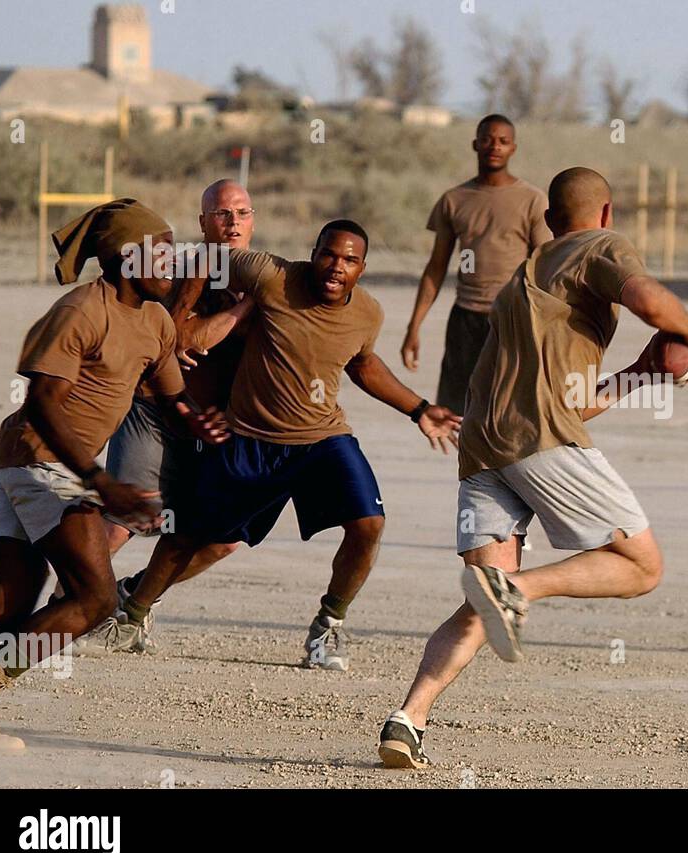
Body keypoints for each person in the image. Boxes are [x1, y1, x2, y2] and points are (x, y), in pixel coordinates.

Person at [377, 167, 688, 768]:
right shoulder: (602, 246)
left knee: (482, 603)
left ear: (548, 221)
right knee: (643, 568)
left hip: (484, 448)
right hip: (538, 440)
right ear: (605, 214)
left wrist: (639, 372)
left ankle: (408, 719)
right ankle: (521, 588)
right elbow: (647, 299)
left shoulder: (524, 278)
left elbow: (571, 399)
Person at [110, 220, 461, 671]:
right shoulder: (270, 275)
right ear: (313, 253)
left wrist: (419, 409)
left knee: (369, 523)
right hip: (249, 440)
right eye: (329, 255)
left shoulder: (368, 313)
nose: (336, 267)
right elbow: (204, 258)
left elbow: (364, 365)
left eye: (349, 260)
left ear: (362, 268)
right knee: (191, 539)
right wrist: (177, 324)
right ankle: (131, 614)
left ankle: (328, 626)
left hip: (321, 440)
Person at [0, 199, 227, 754]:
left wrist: (197, 424)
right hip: (41, 460)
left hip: (46, 465)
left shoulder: (156, 320)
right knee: (94, 600)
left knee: (4, 609)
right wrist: (98, 480)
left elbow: (171, 399)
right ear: (127, 259)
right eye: (161, 251)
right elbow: (41, 401)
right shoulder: (82, 310)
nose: (173, 261)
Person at [85, 179, 257, 653]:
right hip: (156, 409)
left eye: (242, 213)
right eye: (222, 214)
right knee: (130, 516)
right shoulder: (183, 268)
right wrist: (243, 309)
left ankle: (137, 593)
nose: (233, 223)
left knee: (221, 540)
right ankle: (67, 601)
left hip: (216, 424)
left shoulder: (262, 274)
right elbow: (184, 339)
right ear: (203, 223)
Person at [401, 114, 551, 414]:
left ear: (513, 148)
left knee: (510, 410)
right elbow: (436, 268)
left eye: (503, 141)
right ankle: (467, 463)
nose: (494, 146)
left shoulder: (532, 200)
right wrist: (414, 326)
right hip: (465, 321)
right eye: (487, 139)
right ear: (475, 144)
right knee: (458, 413)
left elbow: (546, 266)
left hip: (511, 318)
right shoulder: (454, 200)